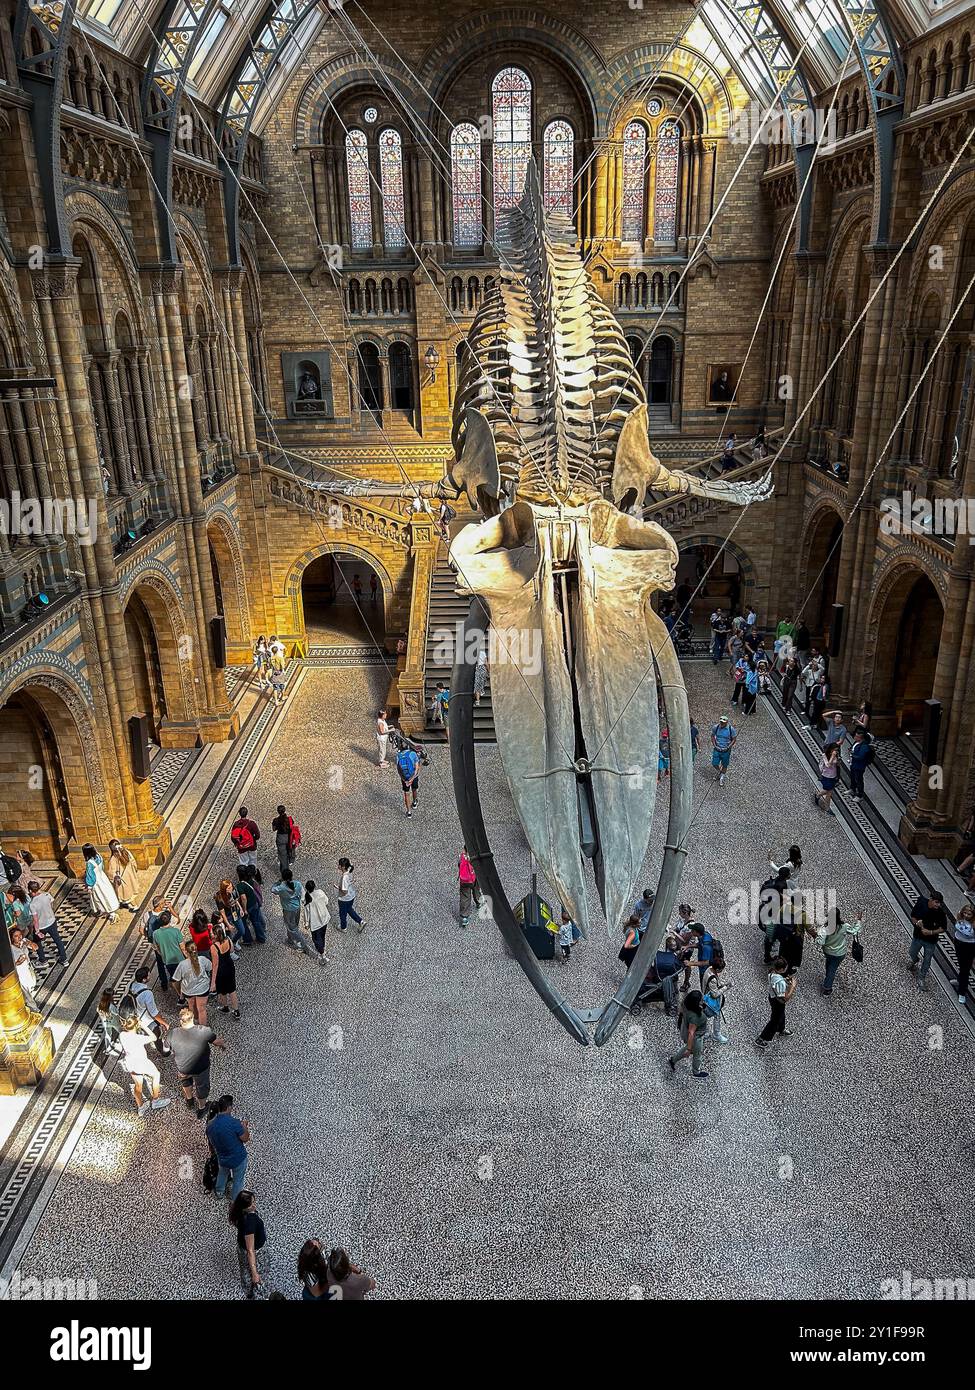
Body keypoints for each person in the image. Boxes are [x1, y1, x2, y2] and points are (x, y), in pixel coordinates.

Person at [169, 1007, 225, 1118]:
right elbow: (216, 1042)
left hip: (183, 1067)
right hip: (201, 1067)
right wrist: (223, 1044)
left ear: (180, 1021)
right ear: (193, 1019)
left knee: (186, 1081)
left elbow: (166, 1050)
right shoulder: (203, 1031)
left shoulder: (173, 1033)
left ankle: (189, 1100)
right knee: (202, 1086)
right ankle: (201, 1108)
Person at [117, 1016, 171, 1116]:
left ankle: (141, 1107)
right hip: (142, 1062)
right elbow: (154, 1037)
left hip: (130, 1063)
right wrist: (144, 1026)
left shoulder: (122, 1035)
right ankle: (156, 1100)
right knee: (156, 1075)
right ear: (136, 1025)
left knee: (138, 1085)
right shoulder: (138, 1038)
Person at [206, 1095, 250, 1203]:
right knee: (238, 1181)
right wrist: (244, 1126)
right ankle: (235, 1202)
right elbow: (245, 1138)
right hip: (238, 1158)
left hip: (222, 1158)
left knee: (222, 1173)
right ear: (229, 1108)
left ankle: (219, 1192)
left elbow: (211, 1144)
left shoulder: (210, 1126)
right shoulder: (234, 1123)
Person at [127, 965, 171, 1056]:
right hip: (146, 1019)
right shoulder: (147, 993)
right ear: (144, 979)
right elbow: (153, 1013)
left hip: (135, 1015)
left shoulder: (132, 985)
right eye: (148, 975)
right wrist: (164, 1023)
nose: (150, 976)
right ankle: (163, 1051)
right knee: (157, 1034)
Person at [229, 1191, 266, 1298]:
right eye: (251, 1204)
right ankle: (252, 1291)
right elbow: (250, 1250)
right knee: (249, 1271)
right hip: (253, 1250)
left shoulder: (238, 1212)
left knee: (245, 1268)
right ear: (244, 1207)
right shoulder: (249, 1223)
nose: (254, 1205)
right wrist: (254, 1273)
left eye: (254, 1201)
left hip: (242, 1245)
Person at [817, 908, 863, 995]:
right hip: (840, 953)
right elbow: (854, 931)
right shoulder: (844, 926)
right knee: (832, 968)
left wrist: (816, 936)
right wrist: (858, 921)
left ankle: (827, 984)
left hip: (828, 951)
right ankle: (828, 983)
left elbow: (821, 942)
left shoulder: (825, 928)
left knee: (830, 966)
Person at [667, 988, 709, 1079]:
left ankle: (673, 1060)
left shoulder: (686, 1005)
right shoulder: (696, 1017)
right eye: (701, 1000)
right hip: (696, 1037)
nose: (703, 1001)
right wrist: (689, 1049)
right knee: (697, 1054)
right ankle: (696, 1072)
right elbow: (691, 1032)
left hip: (685, 1029)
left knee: (686, 1048)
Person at [272, 876, 318, 957]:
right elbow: (303, 895)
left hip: (288, 910)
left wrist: (277, 882)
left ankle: (304, 946)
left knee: (292, 928)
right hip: (297, 908)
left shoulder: (281, 887)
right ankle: (290, 939)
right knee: (294, 924)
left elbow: (272, 889)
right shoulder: (297, 884)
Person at [908, 891, 947, 990]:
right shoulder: (921, 903)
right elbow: (913, 916)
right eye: (936, 902)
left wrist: (930, 932)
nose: (938, 905)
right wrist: (917, 923)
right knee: (912, 952)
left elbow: (943, 928)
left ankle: (921, 977)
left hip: (931, 941)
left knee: (927, 960)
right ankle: (915, 959)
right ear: (931, 900)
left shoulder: (941, 913)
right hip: (918, 936)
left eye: (939, 903)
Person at [27, 880, 68, 966]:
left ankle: (43, 960)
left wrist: (37, 931)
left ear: (30, 891)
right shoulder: (47, 895)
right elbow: (51, 904)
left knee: (37, 942)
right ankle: (64, 960)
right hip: (52, 921)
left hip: (42, 926)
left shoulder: (32, 904)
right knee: (57, 940)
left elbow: (35, 920)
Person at [756, 956, 795, 1045]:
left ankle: (781, 1029)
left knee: (781, 1014)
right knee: (774, 1020)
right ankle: (762, 1038)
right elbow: (785, 998)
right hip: (778, 1002)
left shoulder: (772, 973)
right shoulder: (780, 982)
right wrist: (792, 987)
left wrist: (785, 980)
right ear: (781, 969)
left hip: (772, 998)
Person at [172, 940, 212, 1024]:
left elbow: (175, 980)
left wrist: (180, 993)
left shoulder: (182, 964)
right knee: (202, 1009)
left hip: (188, 990)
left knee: (191, 1007)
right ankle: (203, 1030)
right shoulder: (202, 960)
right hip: (202, 989)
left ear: (186, 952)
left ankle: (195, 1022)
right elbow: (210, 968)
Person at [82, 843, 119, 923]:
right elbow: (102, 867)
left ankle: (110, 913)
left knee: (100, 897)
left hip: (97, 883)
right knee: (107, 894)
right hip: (103, 877)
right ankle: (108, 910)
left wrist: (89, 886)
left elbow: (90, 876)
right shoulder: (99, 856)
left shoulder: (89, 863)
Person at [210, 923, 240, 1016]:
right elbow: (231, 950)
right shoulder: (228, 940)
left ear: (215, 935)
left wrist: (213, 982)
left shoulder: (213, 947)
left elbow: (215, 965)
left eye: (211, 933)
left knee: (222, 990)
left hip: (221, 970)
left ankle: (225, 1007)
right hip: (230, 966)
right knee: (232, 989)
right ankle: (236, 1011)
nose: (210, 934)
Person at [151, 909, 185, 987]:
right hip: (180, 959)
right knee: (183, 977)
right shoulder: (176, 931)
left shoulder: (155, 933)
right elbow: (182, 948)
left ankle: (180, 995)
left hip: (168, 960)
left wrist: (163, 955)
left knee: (174, 977)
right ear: (169, 920)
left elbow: (156, 948)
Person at [9, 928, 41, 1010]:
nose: (19, 937)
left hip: (28, 968)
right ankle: (34, 1008)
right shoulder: (10, 949)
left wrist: (29, 943)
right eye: (16, 936)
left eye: (20, 935)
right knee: (26, 991)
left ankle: (25, 1000)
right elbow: (8, 965)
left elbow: (36, 948)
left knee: (31, 984)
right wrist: (17, 963)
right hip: (20, 972)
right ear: (12, 938)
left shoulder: (23, 941)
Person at [701, 956, 730, 1044]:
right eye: (721, 970)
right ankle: (716, 1035)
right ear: (717, 969)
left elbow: (715, 982)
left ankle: (705, 1032)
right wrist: (725, 987)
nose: (721, 972)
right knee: (716, 1015)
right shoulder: (712, 979)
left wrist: (722, 984)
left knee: (704, 1015)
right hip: (709, 1000)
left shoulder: (709, 969)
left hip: (704, 996)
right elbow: (714, 994)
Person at [235, 866, 266, 944]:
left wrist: (244, 909)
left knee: (243, 922)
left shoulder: (240, 885)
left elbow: (243, 898)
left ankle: (248, 939)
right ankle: (261, 938)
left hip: (248, 906)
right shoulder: (250, 880)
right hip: (255, 903)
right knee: (256, 921)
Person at [107, 839, 139, 912]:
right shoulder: (126, 852)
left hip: (123, 878)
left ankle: (135, 906)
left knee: (127, 893)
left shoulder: (114, 857)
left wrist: (113, 877)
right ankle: (129, 904)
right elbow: (133, 862)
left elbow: (112, 870)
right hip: (130, 875)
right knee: (131, 890)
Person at [952, 903, 975, 1004]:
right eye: (965, 912)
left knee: (965, 969)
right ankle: (960, 979)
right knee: (961, 964)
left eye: (969, 914)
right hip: (958, 942)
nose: (966, 915)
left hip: (969, 947)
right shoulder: (959, 916)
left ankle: (962, 992)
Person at [335, 858, 365, 933]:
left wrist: (338, 887)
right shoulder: (350, 869)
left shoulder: (344, 877)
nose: (338, 866)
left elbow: (344, 891)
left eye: (339, 865)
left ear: (343, 867)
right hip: (352, 895)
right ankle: (360, 921)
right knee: (349, 909)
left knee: (342, 913)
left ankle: (343, 927)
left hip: (345, 899)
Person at [303, 881, 331, 961]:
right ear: (314, 886)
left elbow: (306, 914)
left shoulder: (307, 899)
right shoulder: (320, 892)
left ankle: (322, 953)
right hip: (324, 919)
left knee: (316, 939)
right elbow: (326, 901)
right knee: (322, 935)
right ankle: (322, 948)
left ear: (307, 889)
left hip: (315, 924)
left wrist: (306, 924)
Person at [272, 805, 300, 881]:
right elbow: (292, 825)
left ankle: (285, 873)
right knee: (290, 849)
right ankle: (291, 859)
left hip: (280, 838)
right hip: (289, 837)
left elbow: (274, 829)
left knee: (283, 856)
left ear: (278, 812)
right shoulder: (289, 819)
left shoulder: (276, 820)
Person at [458, 847, 482, 927]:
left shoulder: (462, 856)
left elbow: (459, 865)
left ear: (465, 850)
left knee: (465, 896)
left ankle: (464, 917)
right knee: (476, 891)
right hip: (474, 878)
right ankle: (479, 902)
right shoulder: (474, 857)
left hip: (464, 880)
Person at [849, 730, 875, 801]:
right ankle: (852, 789)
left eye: (857, 736)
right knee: (853, 777)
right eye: (855, 735)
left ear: (861, 738)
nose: (855, 737)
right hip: (853, 764)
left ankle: (860, 795)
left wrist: (852, 754)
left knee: (859, 779)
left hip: (859, 766)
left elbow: (860, 757)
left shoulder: (864, 746)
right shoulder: (856, 742)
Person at [711, 714, 737, 787]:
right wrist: (714, 745)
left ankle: (722, 777)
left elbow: (734, 739)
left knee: (725, 764)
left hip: (726, 750)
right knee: (714, 763)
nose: (721, 723)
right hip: (717, 748)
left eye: (723, 722)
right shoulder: (715, 727)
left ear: (726, 722)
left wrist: (729, 746)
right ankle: (720, 772)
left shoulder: (731, 729)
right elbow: (712, 736)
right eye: (721, 722)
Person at [814, 743, 841, 812]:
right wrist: (832, 756)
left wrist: (838, 761)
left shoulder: (836, 755)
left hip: (833, 776)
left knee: (829, 792)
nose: (836, 752)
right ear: (831, 749)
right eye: (835, 750)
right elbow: (828, 765)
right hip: (826, 776)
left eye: (837, 750)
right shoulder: (825, 755)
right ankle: (826, 807)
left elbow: (837, 765)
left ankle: (819, 797)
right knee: (828, 791)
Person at [397, 741, 420, 817]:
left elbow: (399, 770)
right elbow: (417, 768)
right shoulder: (413, 754)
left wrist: (404, 780)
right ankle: (414, 802)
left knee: (406, 793)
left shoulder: (398, 755)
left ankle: (409, 812)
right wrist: (412, 778)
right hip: (413, 776)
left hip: (405, 778)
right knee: (414, 789)